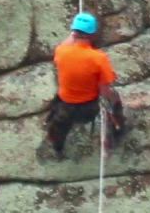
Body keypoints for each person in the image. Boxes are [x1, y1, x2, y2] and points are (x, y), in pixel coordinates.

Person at [45, 12, 125, 159]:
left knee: (59, 123)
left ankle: (57, 146)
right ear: (93, 35)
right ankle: (118, 128)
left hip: (65, 106)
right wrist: (109, 102)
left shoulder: (61, 51)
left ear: (74, 32)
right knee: (114, 99)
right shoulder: (99, 59)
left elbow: (67, 43)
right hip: (88, 108)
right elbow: (104, 91)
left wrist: (74, 32)